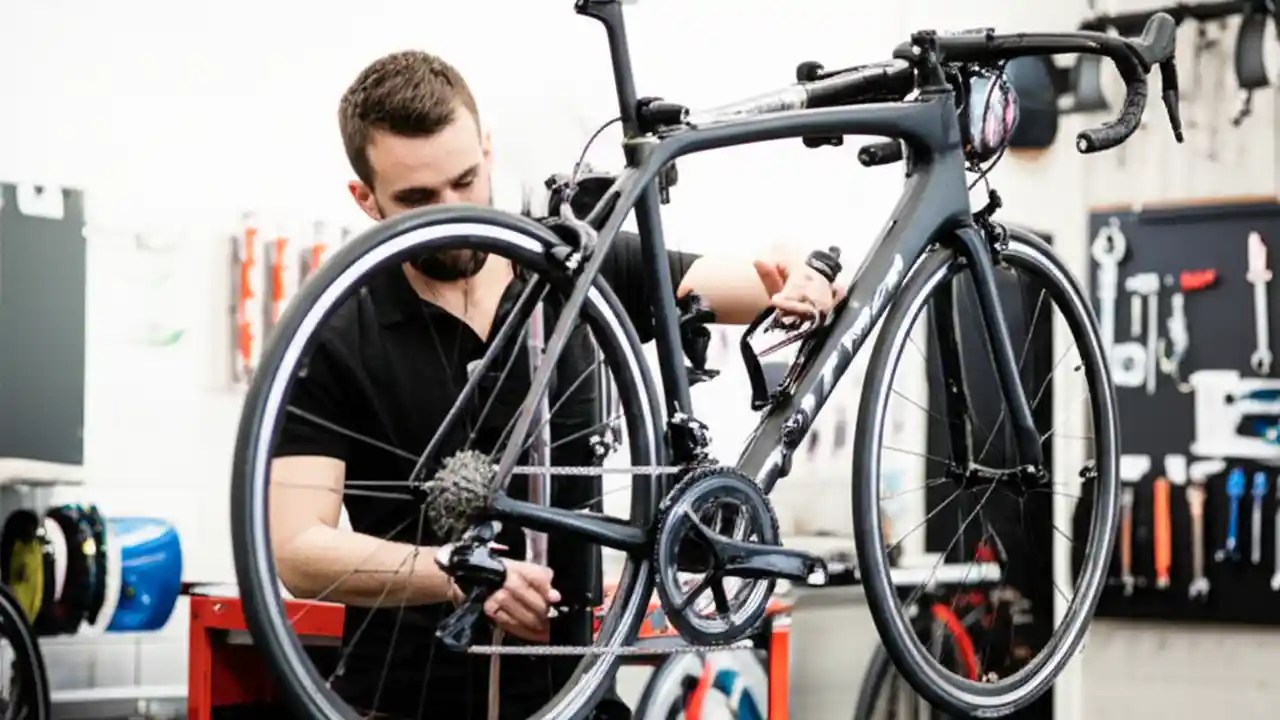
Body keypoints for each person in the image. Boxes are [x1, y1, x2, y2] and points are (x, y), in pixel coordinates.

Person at [268, 49, 842, 719]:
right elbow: (297, 548)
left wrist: (804, 283)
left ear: (486, 150)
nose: (455, 212)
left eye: (466, 179)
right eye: (419, 199)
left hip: (573, 697)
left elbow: (753, 287)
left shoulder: (574, 266)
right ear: (364, 199)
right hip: (400, 702)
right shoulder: (336, 327)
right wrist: (449, 571)